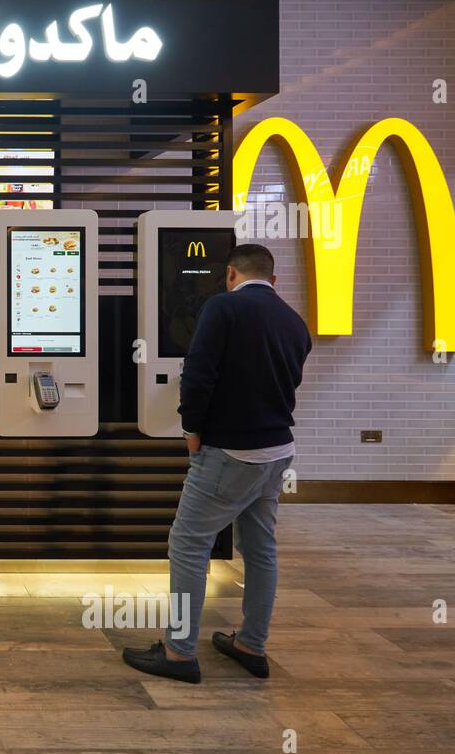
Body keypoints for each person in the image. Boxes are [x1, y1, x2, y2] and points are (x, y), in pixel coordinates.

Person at [122, 244, 312, 684]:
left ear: (230, 274)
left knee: (188, 544)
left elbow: (198, 372)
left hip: (229, 452)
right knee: (261, 550)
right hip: (277, 452)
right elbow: (288, 381)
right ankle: (251, 645)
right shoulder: (294, 322)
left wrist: (191, 431)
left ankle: (179, 651)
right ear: (273, 280)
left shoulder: (222, 309)